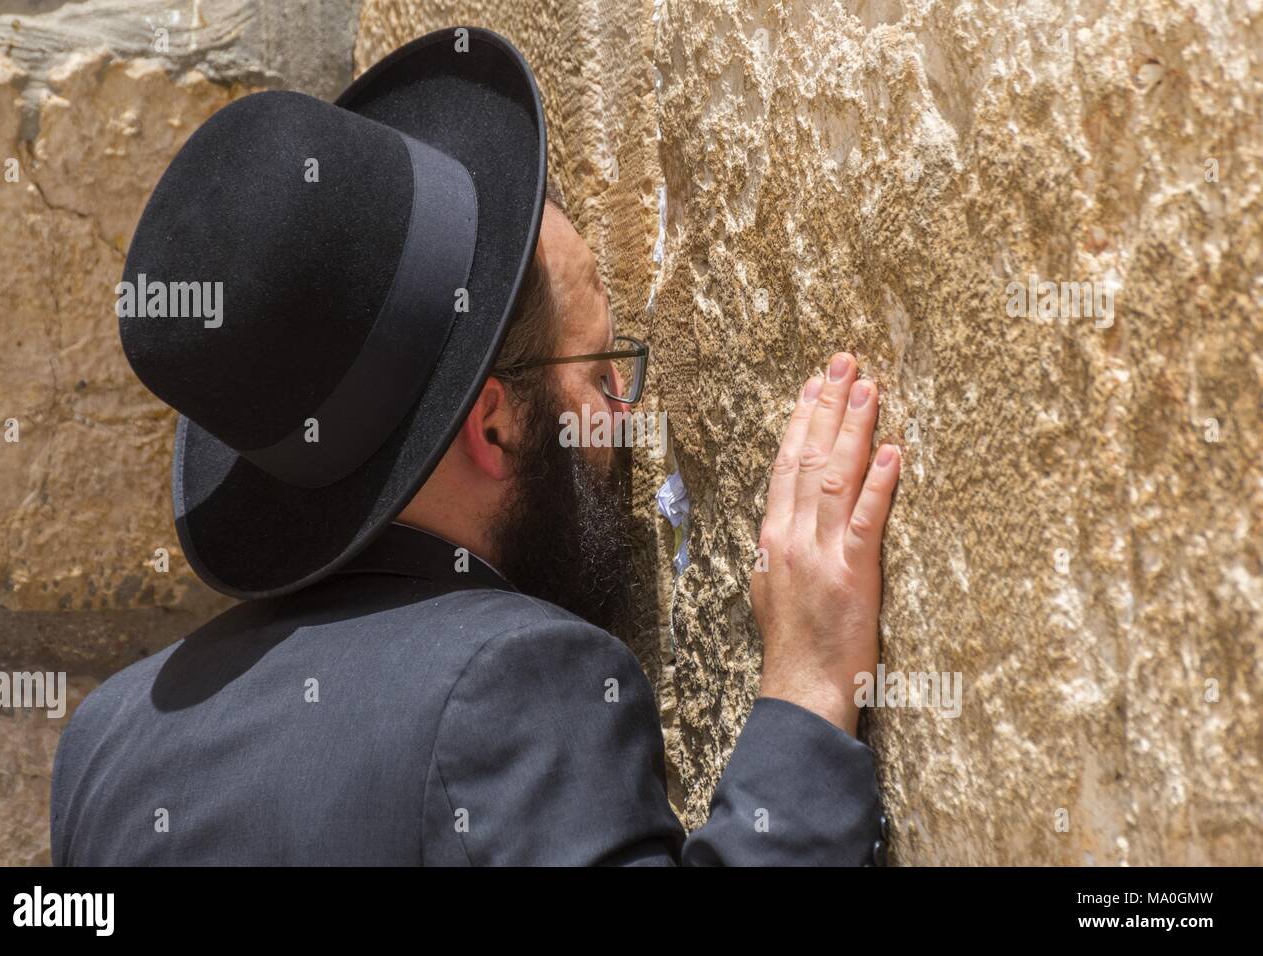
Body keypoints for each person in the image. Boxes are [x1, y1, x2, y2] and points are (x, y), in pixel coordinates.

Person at [51, 26, 899, 866]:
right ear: (493, 425)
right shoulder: (512, 686)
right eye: (603, 372)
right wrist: (810, 687)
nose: (624, 417)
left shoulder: (108, 748)